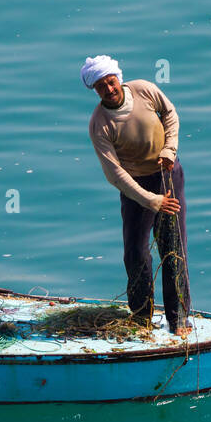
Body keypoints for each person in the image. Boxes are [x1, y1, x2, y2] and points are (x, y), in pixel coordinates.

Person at [82, 54, 192, 336]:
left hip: (167, 175)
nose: (109, 89)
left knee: (173, 248)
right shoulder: (100, 124)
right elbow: (114, 173)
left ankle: (178, 319)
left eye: (111, 81)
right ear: (94, 90)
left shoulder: (144, 89)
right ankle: (142, 317)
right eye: (101, 86)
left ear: (118, 78)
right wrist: (150, 200)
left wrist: (169, 150)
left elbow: (170, 115)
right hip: (134, 186)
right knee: (135, 252)